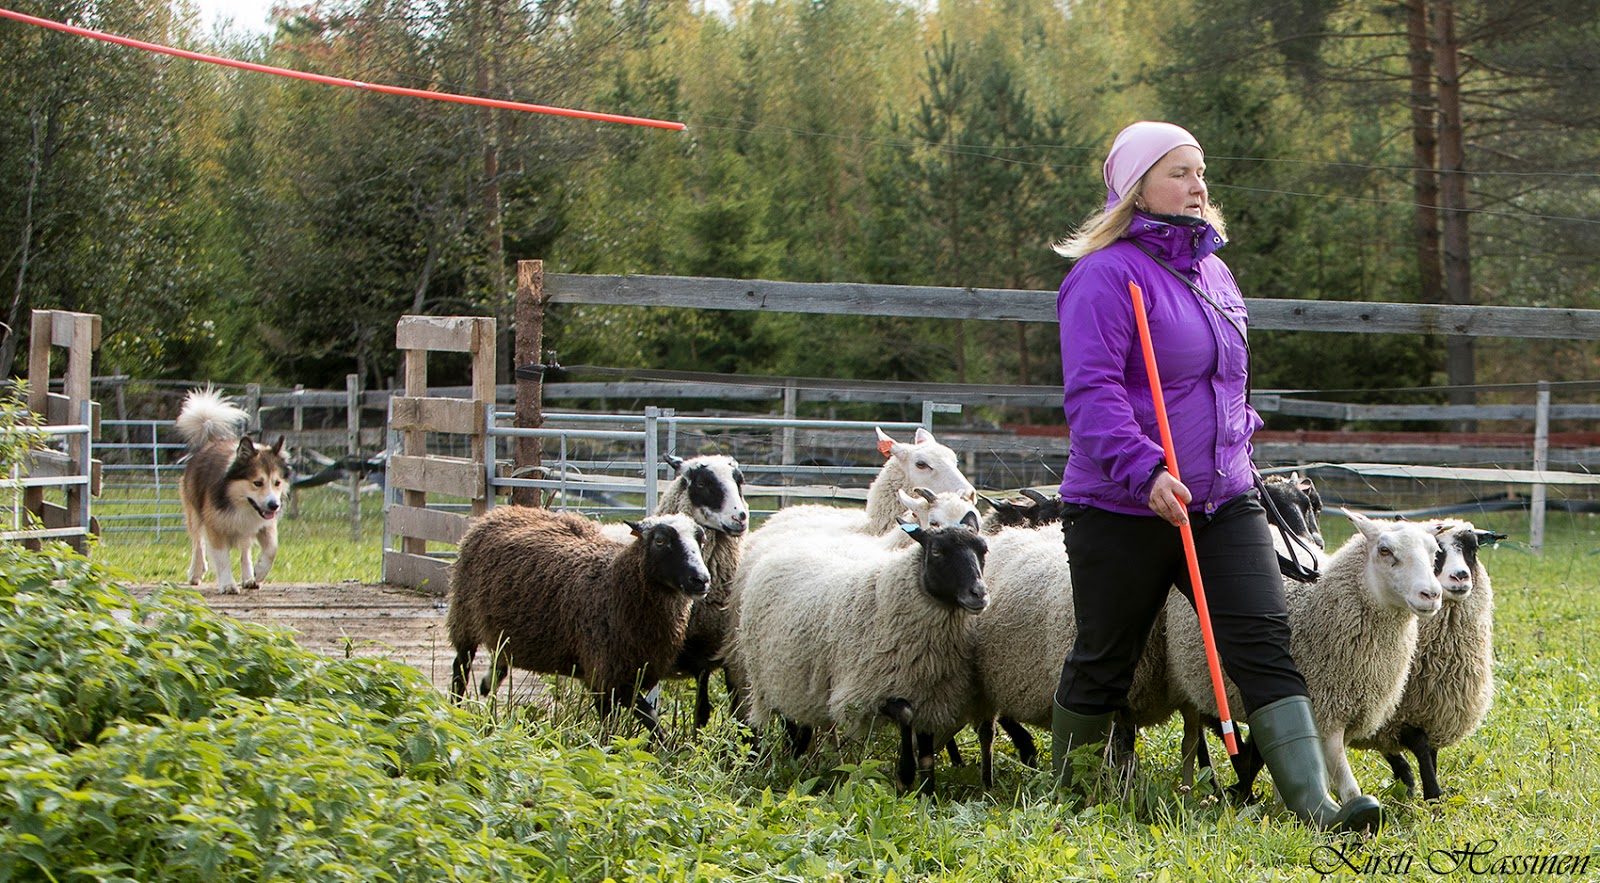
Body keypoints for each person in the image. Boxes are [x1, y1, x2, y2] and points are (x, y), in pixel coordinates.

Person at [1048, 120, 1381, 832]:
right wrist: (1145, 471)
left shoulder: (1215, 271)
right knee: (1106, 656)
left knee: (1263, 641)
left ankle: (1317, 806)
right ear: (1136, 189)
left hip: (1224, 499)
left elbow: (1224, 386)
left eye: (1201, 172)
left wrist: (1240, 449)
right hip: (1125, 505)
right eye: (1179, 173)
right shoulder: (1102, 277)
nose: (1198, 186)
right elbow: (1093, 395)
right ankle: (1066, 803)